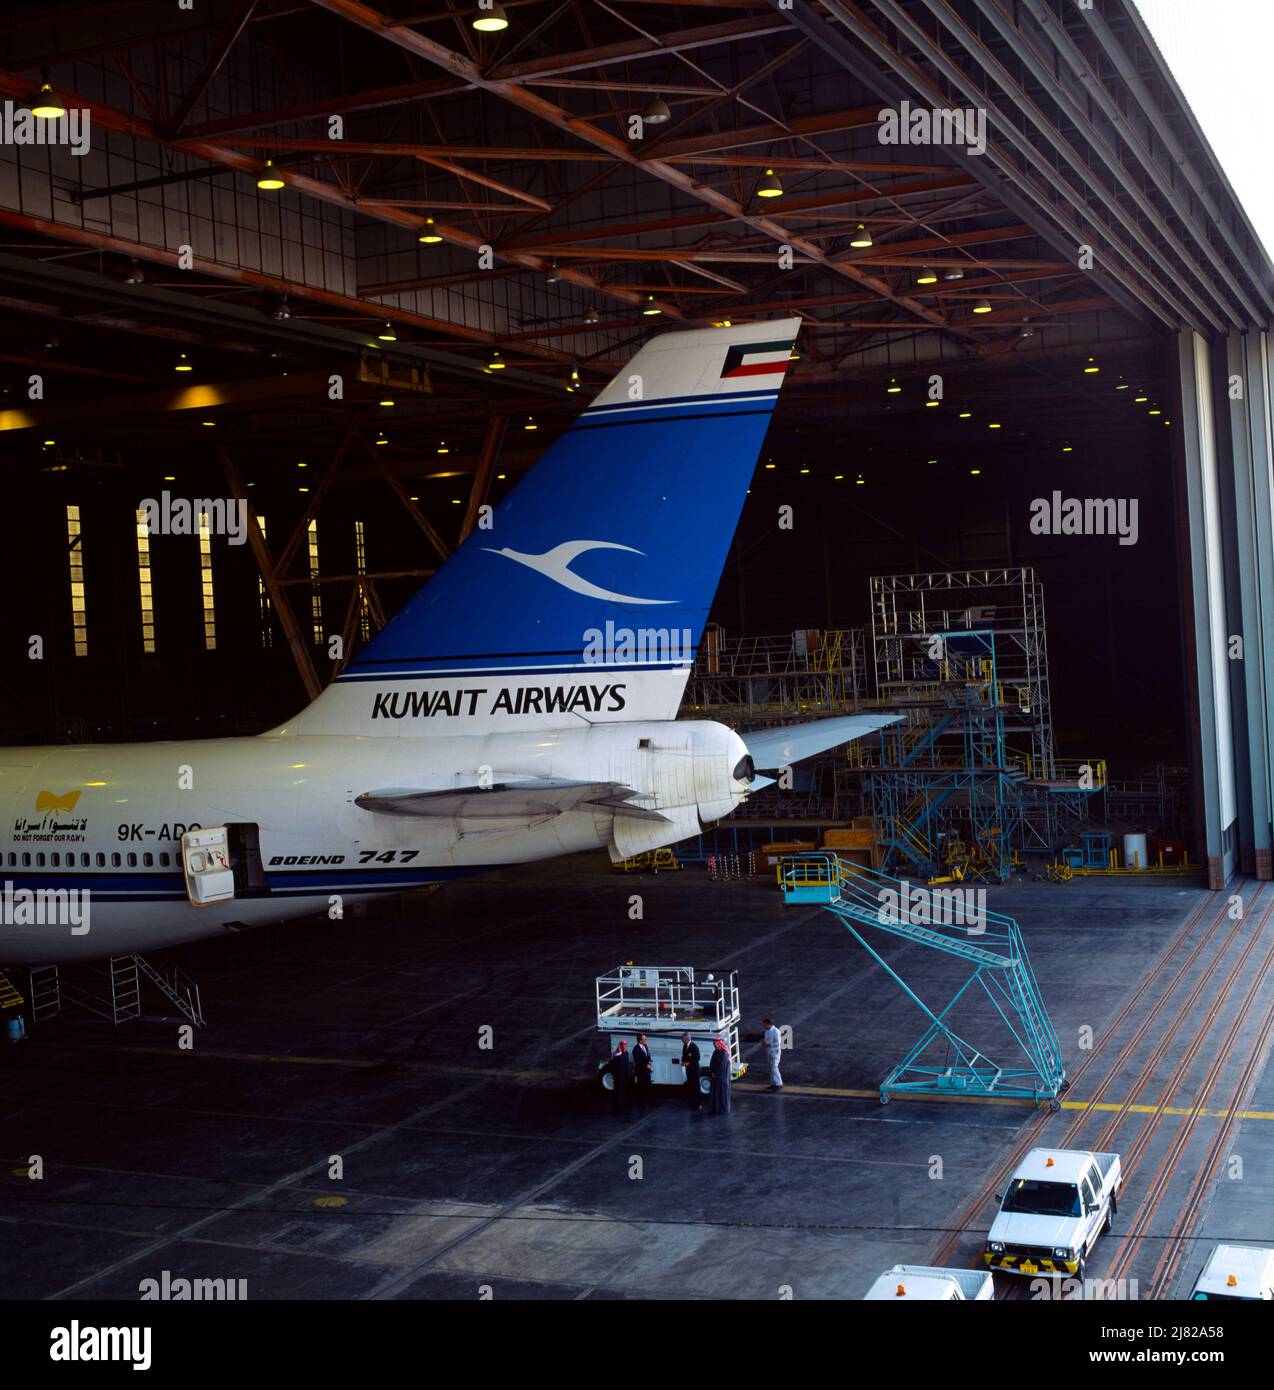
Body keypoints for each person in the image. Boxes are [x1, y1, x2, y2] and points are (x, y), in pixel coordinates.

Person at [707, 1037, 732, 1115]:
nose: (714, 1045)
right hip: (716, 1077)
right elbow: (711, 1063)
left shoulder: (724, 1054)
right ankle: (717, 1109)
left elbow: (722, 1067)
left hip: (722, 1078)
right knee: (716, 1093)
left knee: (723, 1094)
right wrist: (712, 1072)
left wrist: (716, 1074)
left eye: (715, 1044)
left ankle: (724, 1110)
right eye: (714, 1044)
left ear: (719, 1044)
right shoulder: (716, 1052)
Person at [609, 1039, 632, 1115]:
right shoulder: (616, 1054)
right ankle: (618, 1110)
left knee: (624, 1093)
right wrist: (616, 1076)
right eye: (623, 1045)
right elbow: (612, 1066)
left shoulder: (626, 1053)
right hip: (618, 1078)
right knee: (618, 1094)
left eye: (626, 1045)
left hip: (625, 1077)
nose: (625, 1046)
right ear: (620, 1045)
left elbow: (626, 1065)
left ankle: (623, 1108)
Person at [679, 1033, 702, 1110]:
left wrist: (689, 1062)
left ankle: (698, 1104)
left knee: (696, 1087)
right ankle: (692, 1102)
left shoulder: (694, 1047)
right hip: (688, 1070)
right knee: (691, 1086)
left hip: (694, 1070)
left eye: (682, 1039)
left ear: (686, 1039)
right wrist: (683, 1061)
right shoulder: (685, 1046)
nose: (682, 1041)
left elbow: (698, 1058)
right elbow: (684, 1055)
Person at [632, 1033, 654, 1109]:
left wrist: (650, 1062)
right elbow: (637, 1061)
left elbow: (648, 1055)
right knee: (641, 1087)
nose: (646, 1040)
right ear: (640, 1040)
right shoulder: (636, 1049)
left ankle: (650, 1101)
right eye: (644, 1039)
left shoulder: (645, 1046)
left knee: (648, 1086)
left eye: (646, 1038)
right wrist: (646, 1065)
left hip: (646, 1071)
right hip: (640, 1071)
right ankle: (641, 1103)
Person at [762, 1017, 783, 1091]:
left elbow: (777, 1043)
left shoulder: (776, 1032)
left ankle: (778, 1084)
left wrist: (768, 1045)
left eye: (764, 1025)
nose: (763, 1026)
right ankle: (773, 1083)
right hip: (769, 1051)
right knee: (771, 1068)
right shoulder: (767, 1031)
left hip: (775, 1052)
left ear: (769, 1024)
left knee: (774, 1067)